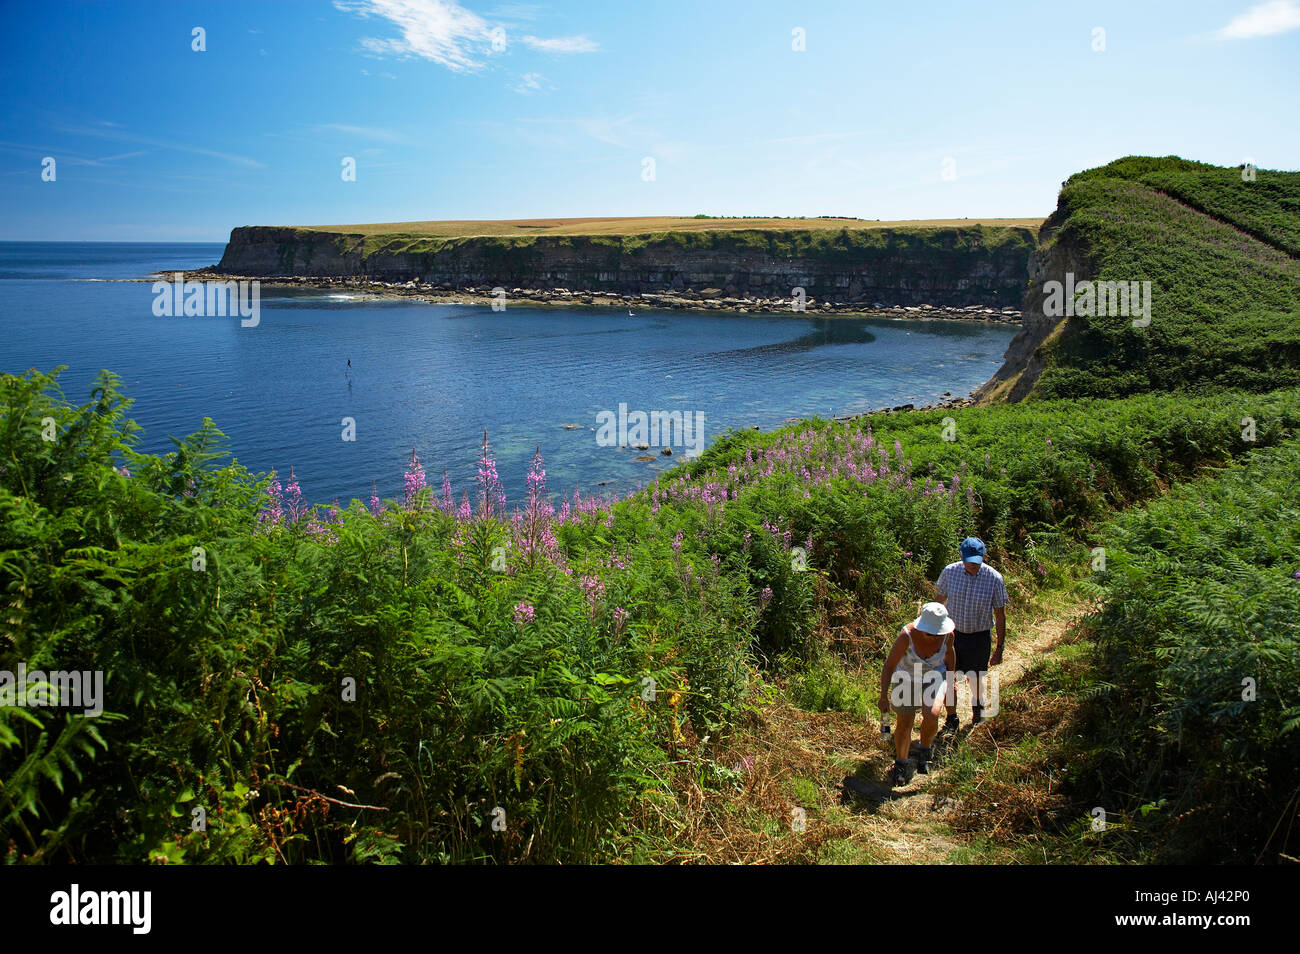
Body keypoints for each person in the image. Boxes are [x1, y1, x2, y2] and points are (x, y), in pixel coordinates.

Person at [877, 602, 956, 786]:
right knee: (904, 723)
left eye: (938, 633)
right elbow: (889, 665)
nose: (935, 637)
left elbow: (950, 654)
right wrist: (883, 695)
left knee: (932, 714)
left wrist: (951, 679)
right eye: (930, 633)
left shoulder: (948, 636)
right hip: (907, 678)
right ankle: (901, 763)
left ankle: (925, 750)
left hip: (935, 675)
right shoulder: (906, 637)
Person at [935, 537, 1008, 729]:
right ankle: (952, 718)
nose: (973, 565)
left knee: (975, 677)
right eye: (969, 561)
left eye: (977, 560)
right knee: (949, 678)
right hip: (952, 637)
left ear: (984, 556)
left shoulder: (994, 578)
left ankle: (978, 712)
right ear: (961, 556)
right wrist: (934, 634)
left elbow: (1000, 615)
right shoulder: (950, 572)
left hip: (979, 637)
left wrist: (1000, 647)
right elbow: (939, 603)